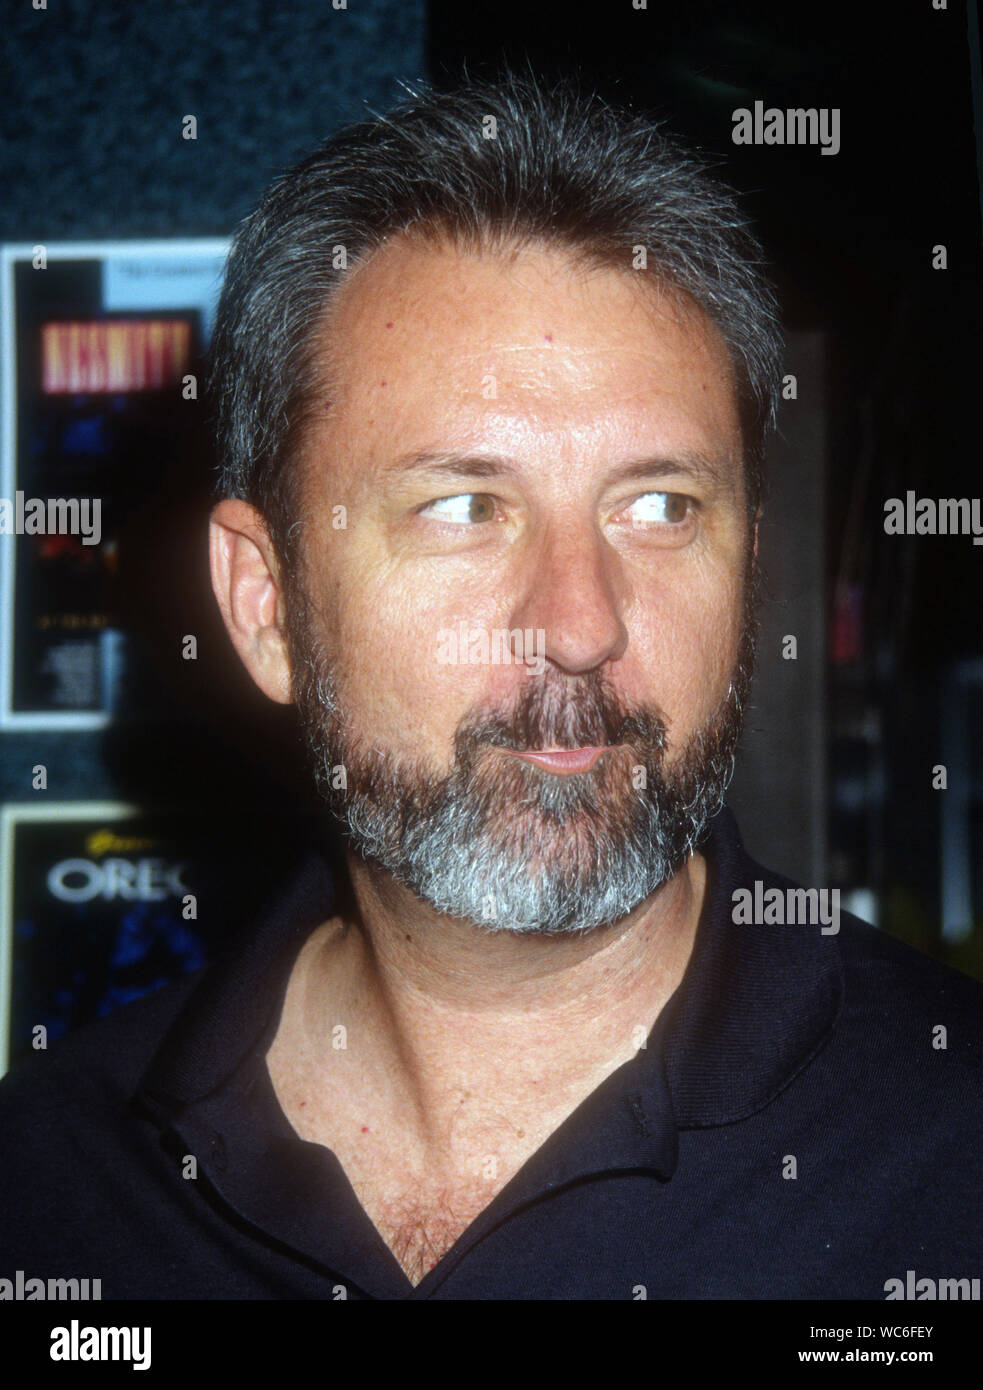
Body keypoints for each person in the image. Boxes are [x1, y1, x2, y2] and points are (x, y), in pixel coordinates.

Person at [2, 71, 981, 1302]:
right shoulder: (49, 1190)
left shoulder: (950, 1167)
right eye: (464, 507)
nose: (577, 626)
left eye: (659, 507)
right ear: (265, 607)